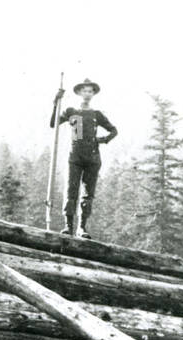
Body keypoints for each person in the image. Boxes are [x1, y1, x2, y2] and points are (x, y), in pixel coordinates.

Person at [49, 78, 117, 238]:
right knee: (71, 190)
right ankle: (68, 226)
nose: (87, 94)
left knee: (88, 193)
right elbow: (53, 124)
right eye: (84, 91)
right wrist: (55, 102)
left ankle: (82, 227)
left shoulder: (96, 114)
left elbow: (114, 131)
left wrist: (102, 140)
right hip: (75, 156)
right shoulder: (71, 111)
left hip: (92, 158)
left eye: (90, 91)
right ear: (79, 92)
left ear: (93, 94)